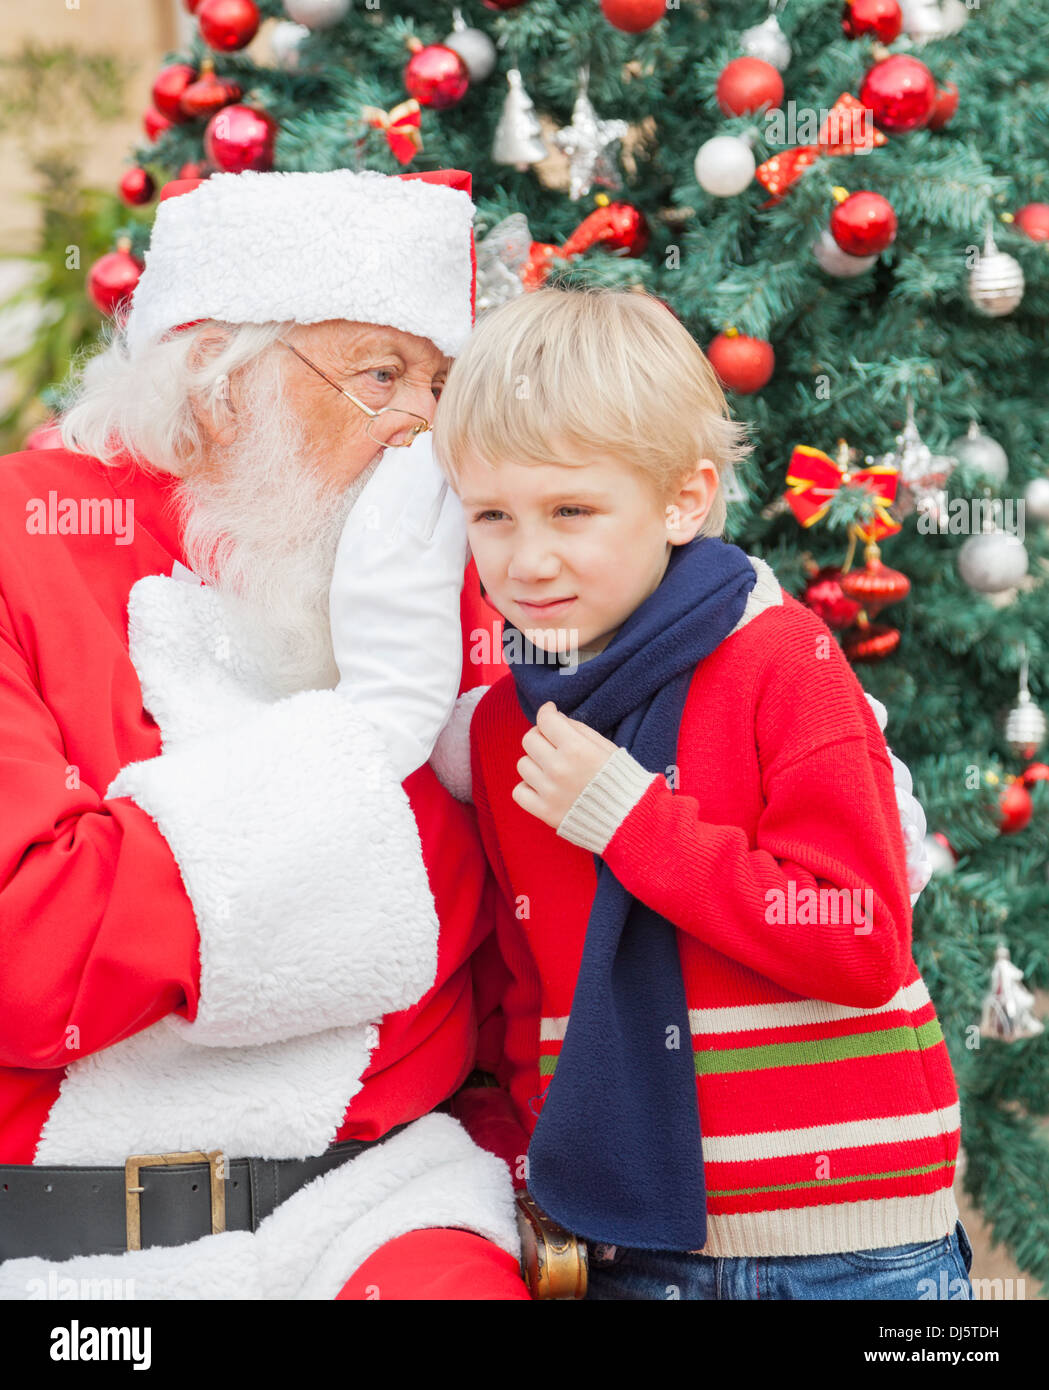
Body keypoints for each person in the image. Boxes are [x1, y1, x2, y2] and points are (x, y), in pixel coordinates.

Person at [0, 168, 528, 1300]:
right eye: (381, 374)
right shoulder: (22, 542)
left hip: (381, 1204)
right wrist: (359, 745)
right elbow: (28, 957)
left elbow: (512, 945)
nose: (424, 431)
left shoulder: (433, 585)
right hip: (57, 1236)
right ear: (214, 379)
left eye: (442, 384)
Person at [431, 285, 971, 1301]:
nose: (525, 558)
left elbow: (855, 938)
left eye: (570, 511)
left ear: (682, 498)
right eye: (490, 515)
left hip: (847, 1247)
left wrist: (631, 819)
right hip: (632, 1252)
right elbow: (528, 992)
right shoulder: (506, 728)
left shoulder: (782, 660)